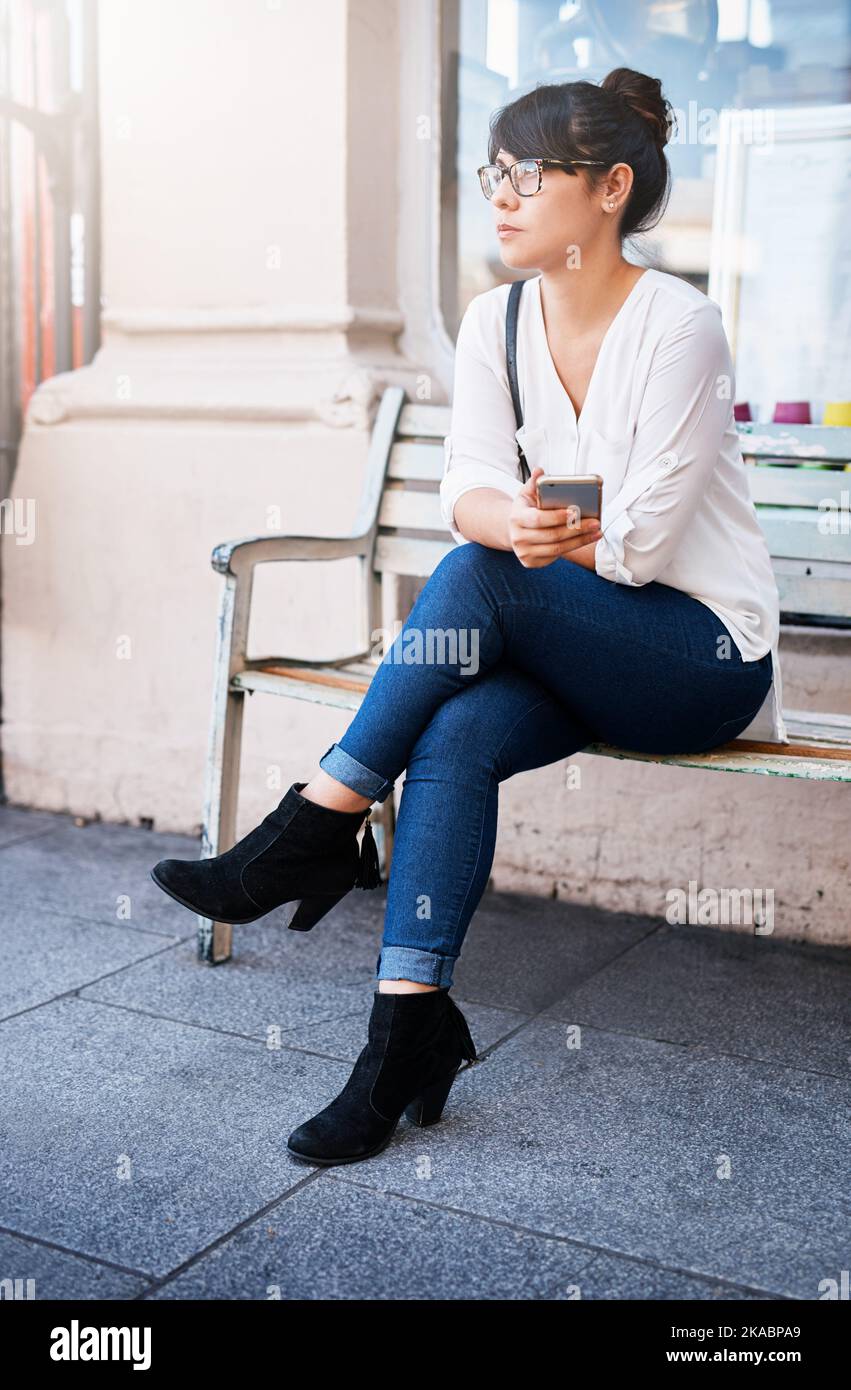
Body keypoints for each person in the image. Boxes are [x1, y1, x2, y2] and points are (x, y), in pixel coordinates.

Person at [151, 67, 784, 1168]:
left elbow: (639, 539)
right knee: (452, 729)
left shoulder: (679, 326)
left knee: (479, 576)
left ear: (609, 188)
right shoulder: (494, 321)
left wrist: (526, 529)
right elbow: (470, 485)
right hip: (575, 634)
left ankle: (314, 822)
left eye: (529, 173)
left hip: (699, 652)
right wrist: (518, 520)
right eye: (494, 170)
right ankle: (404, 1035)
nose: (500, 193)